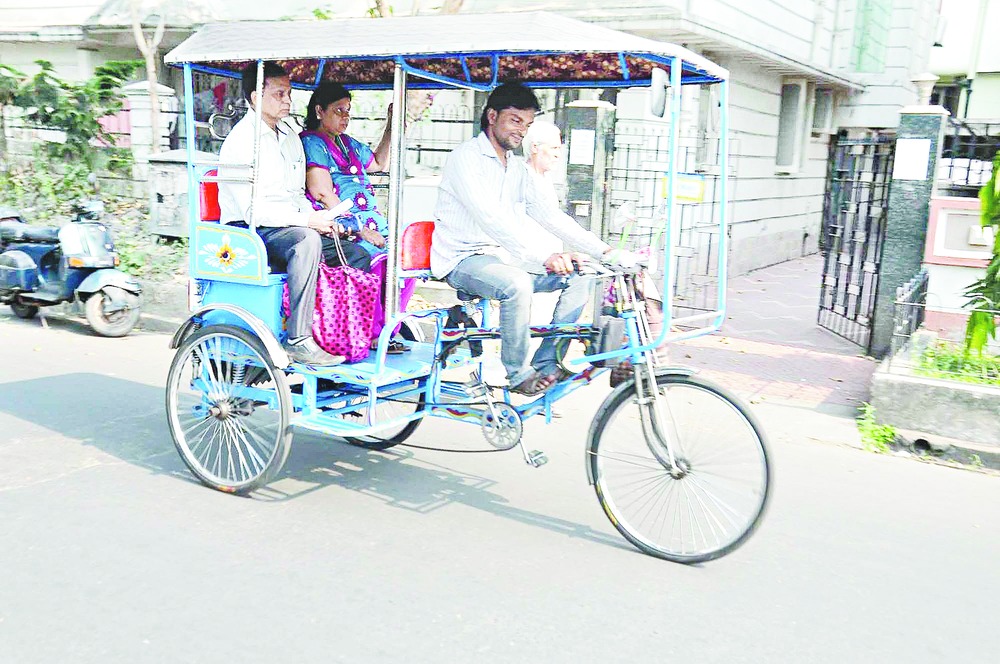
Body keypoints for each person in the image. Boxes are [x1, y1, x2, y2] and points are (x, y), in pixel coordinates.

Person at [431, 82, 635, 396]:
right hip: (462, 260)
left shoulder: (515, 169)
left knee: (584, 275)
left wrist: (605, 251)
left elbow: (550, 216)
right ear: (491, 116)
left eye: (526, 125)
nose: (520, 132)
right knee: (517, 284)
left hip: (502, 260)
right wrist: (542, 257)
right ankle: (517, 374)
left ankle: (547, 361)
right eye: (514, 121)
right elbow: (490, 218)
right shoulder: (466, 158)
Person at [217, 62, 347, 366]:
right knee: (306, 241)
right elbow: (254, 209)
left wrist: (322, 220)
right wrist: (306, 222)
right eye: (280, 94)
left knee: (354, 252)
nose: (288, 101)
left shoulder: (289, 136)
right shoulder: (240, 142)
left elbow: (296, 195)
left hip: (286, 225)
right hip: (249, 229)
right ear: (255, 96)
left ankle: (342, 333)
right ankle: (298, 339)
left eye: (289, 94)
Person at [301, 82, 391, 264]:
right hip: (345, 228)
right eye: (338, 110)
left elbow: (378, 163)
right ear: (319, 111)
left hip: (370, 225)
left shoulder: (346, 142)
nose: (346, 116)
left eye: (348, 110)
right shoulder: (312, 142)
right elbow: (322, 192)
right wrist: (361, 229)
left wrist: (392, 127)